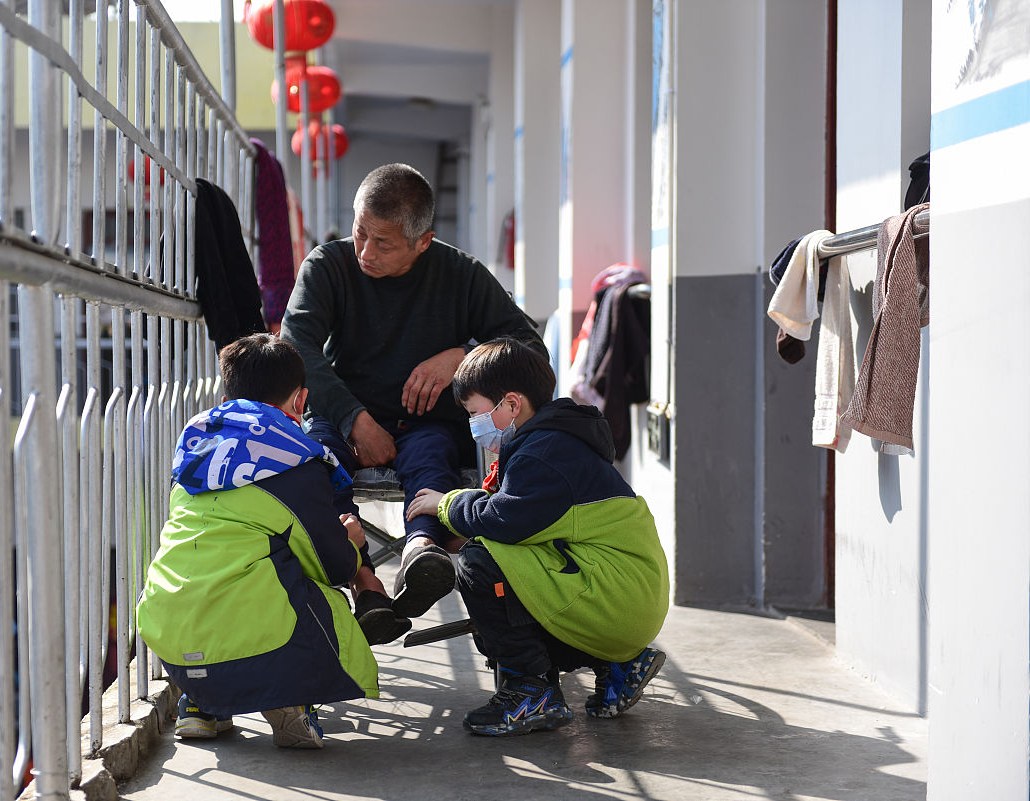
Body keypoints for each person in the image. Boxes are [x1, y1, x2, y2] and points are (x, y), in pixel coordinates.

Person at [280, 163, 548, 644]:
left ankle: (420, 551)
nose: (365, 251)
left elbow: (530, 349)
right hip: (342, 423)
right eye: (361, 232)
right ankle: (366, 585)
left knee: (433, 457)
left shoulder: (461, 275)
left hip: (426, 424)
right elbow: (295, 346)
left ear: (422, 242)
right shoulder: (327, 266)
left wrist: (463, 356)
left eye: (383, 243)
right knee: (318, 468)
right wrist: (354, 419)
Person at [405, 338, 669, 736]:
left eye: (475, 412)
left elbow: (501, 521)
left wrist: (446, 504)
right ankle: (616, 663)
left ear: (511, 405)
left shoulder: (540, 455)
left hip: (617, 599)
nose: (472, 424)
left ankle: (530, 689)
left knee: (480, 562)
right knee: (502, 568)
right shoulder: (557, 440)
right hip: (626, 596)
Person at [136, 334, 384, 749]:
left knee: (218, 573)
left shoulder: (196, 454)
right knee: (322, 598)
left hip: (169, 630)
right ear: (300, 401)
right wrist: (351, 541)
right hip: (256, 636)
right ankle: (291, 697)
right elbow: (332, 566)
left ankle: (200, 705)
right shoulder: (296, 463)